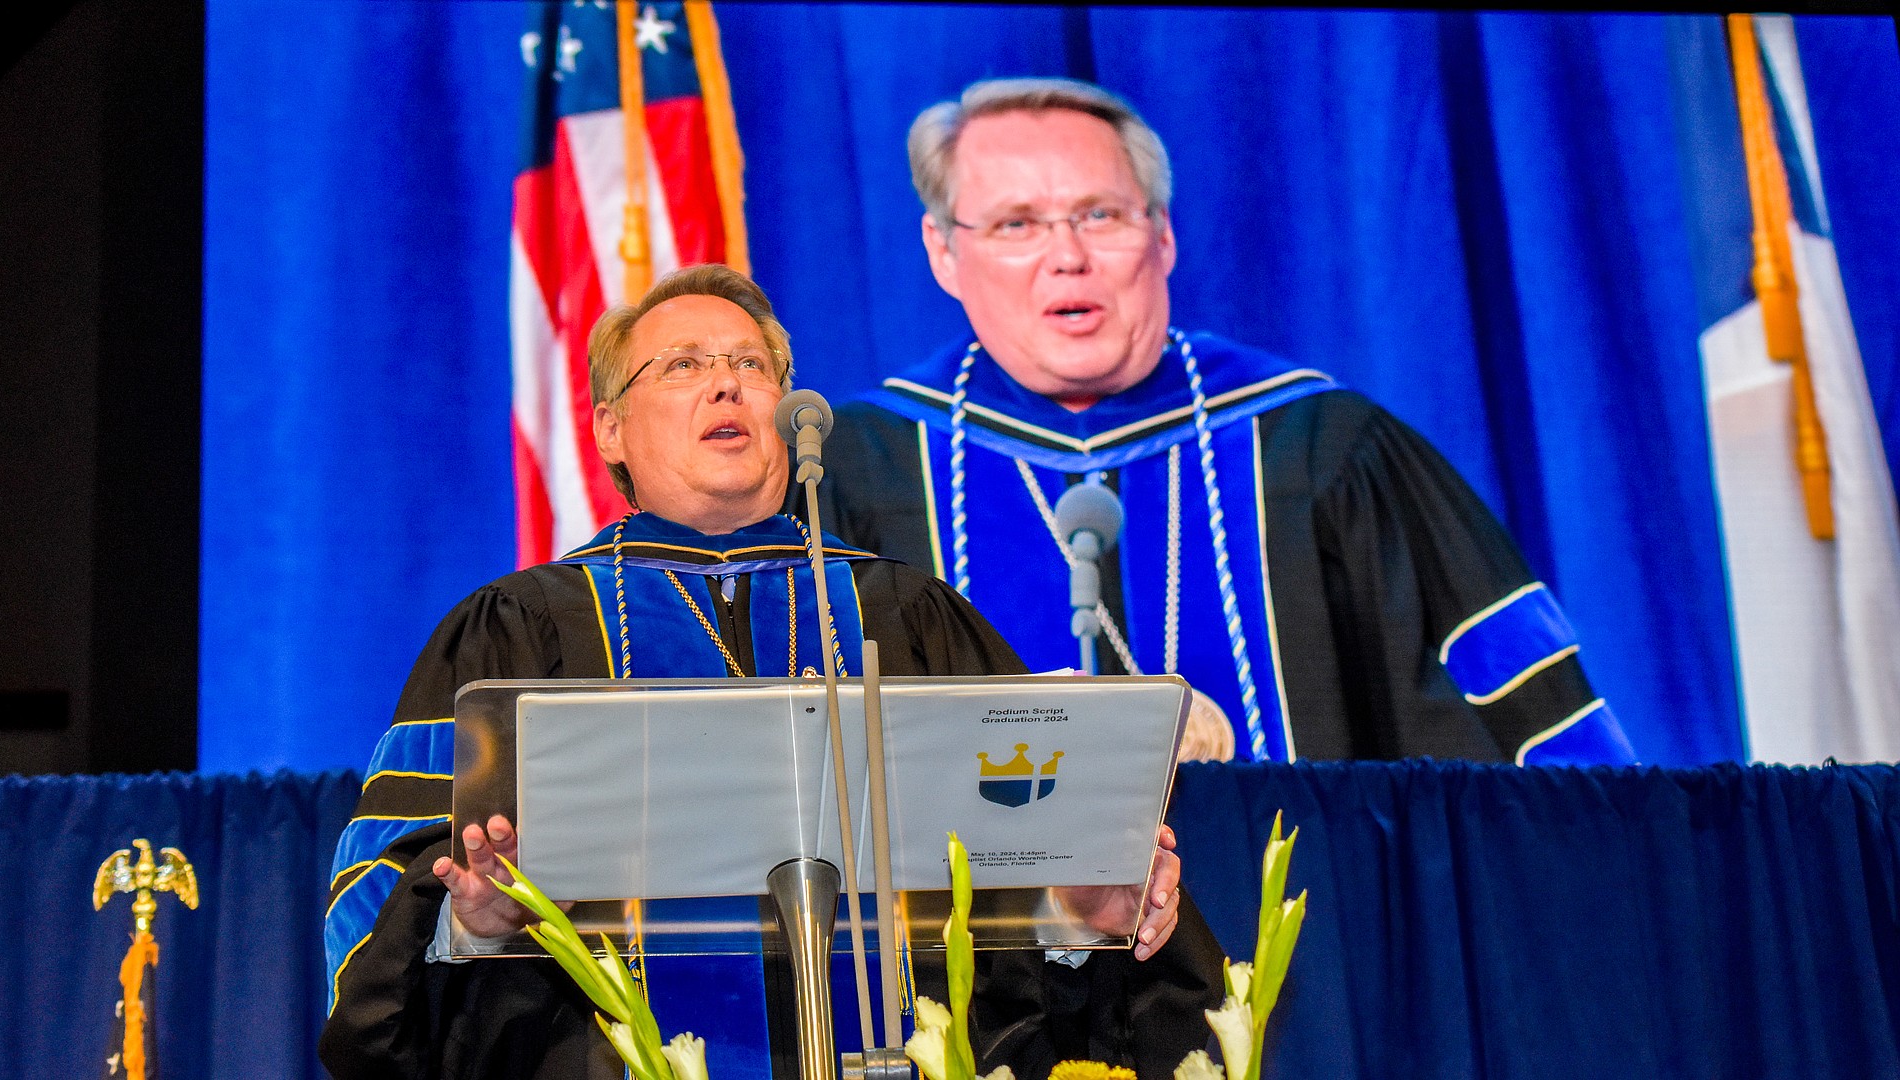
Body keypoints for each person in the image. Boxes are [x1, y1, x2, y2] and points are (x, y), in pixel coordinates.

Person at [320, 265, 1223, 1080]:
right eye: (681, 366)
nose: (726, 382)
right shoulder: (514, 630)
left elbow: (1021, 887)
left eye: (753, 367)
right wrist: (470, 921)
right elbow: (384, 934)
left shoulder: (905, 617)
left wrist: (1077, 913)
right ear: (608, 430)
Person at [798, 78, 1637, 767]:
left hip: (1308, 948)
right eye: (1016, 224)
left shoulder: (1324, 449)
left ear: (1161, 237)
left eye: (1100, 214)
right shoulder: (863, 474)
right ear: (944, 253)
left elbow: (1520, 741)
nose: (1067, 255)